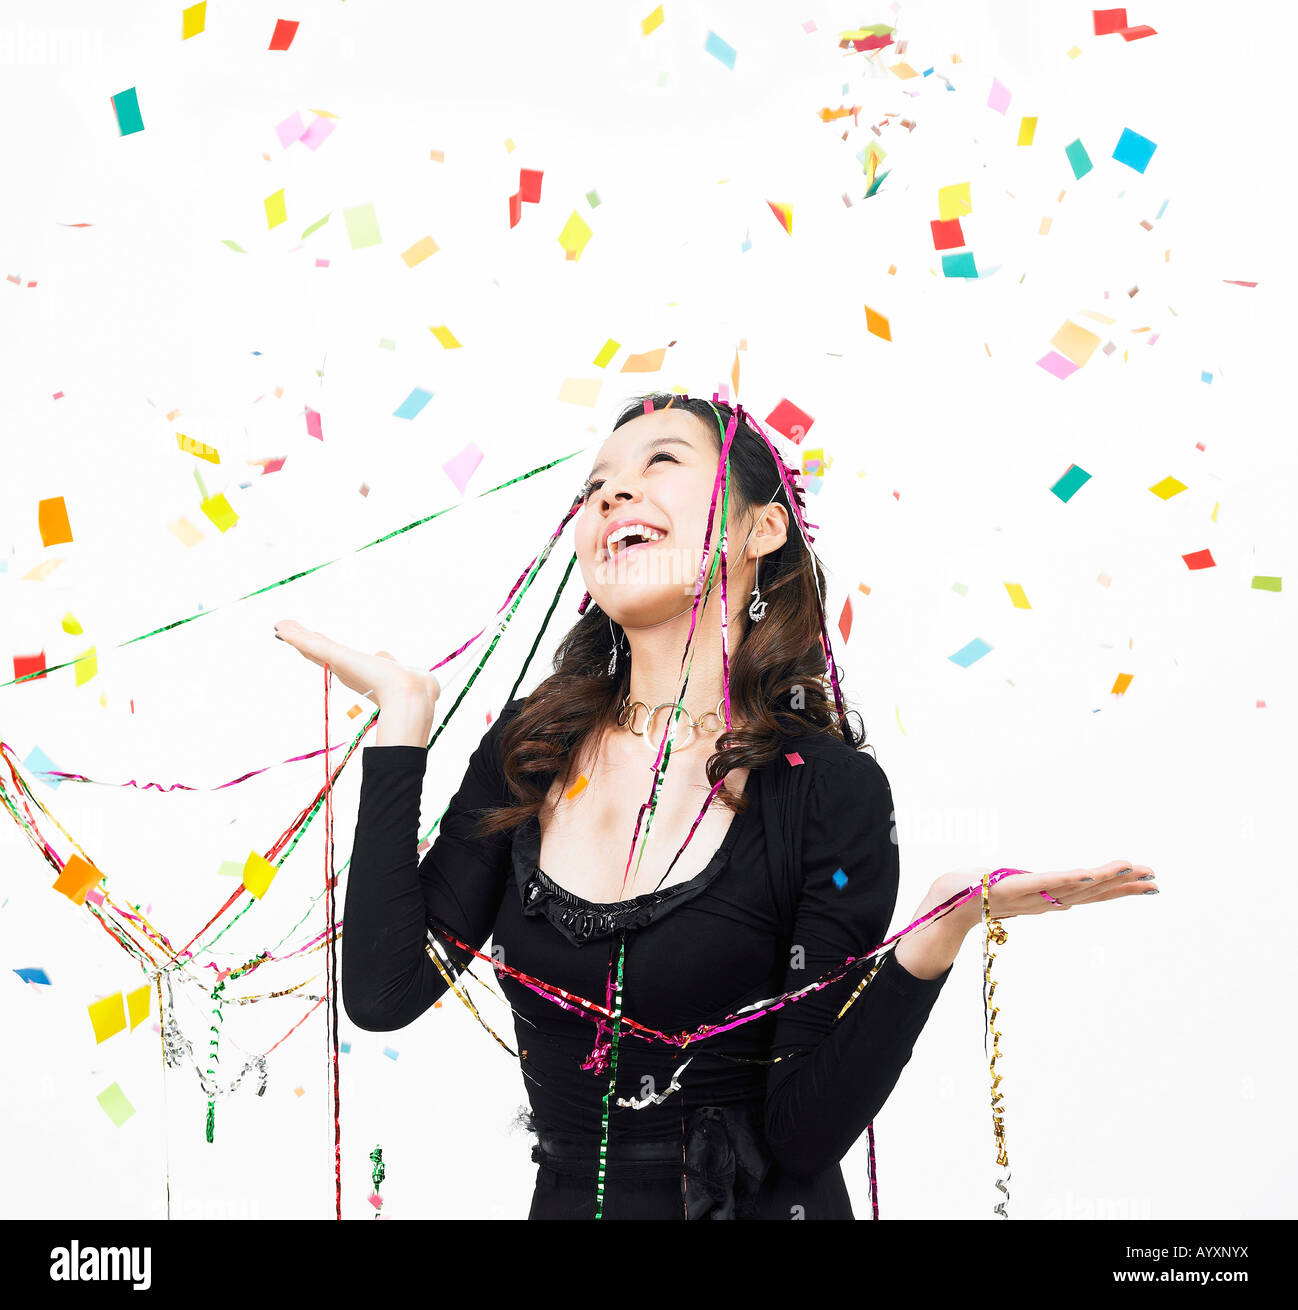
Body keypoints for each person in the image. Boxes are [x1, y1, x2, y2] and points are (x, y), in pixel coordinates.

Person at [274, 392, 1158, 1219]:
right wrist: (403, 727)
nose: (614, 488)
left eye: (660, 461)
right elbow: (386, 992)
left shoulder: (829, 789)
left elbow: (799, 1135)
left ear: (761, 527)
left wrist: (935, 931)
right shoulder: (529, 752)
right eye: (594, 486)